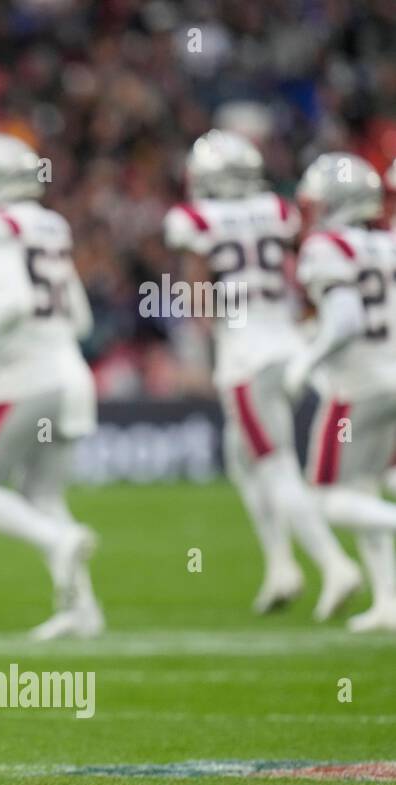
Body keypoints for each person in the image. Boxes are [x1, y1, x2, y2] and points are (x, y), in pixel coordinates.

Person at [164, 130, 361, 619]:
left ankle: (334, 564)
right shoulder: (277, 209)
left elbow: (196, 293)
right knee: (241, 456)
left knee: (275, 466)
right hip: (288, 340)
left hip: (246, 354)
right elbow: (299, 271)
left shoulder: (194, 218)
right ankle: (280, 566)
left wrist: (207, 344)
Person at [0, 133, 104, 641]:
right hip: (73, 375)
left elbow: (11, 304)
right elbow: (80, 317)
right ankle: (83, 610)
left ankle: (59, 542)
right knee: (43, 494)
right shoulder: (50, 224)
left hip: (28, 377)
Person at [285, 152, 396, 632]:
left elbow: (346, 321)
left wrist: (305, 359)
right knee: (363, 488)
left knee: (324, 499)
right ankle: (389, 601)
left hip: (358, 385)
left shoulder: (326, 246)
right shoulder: (387, 243)